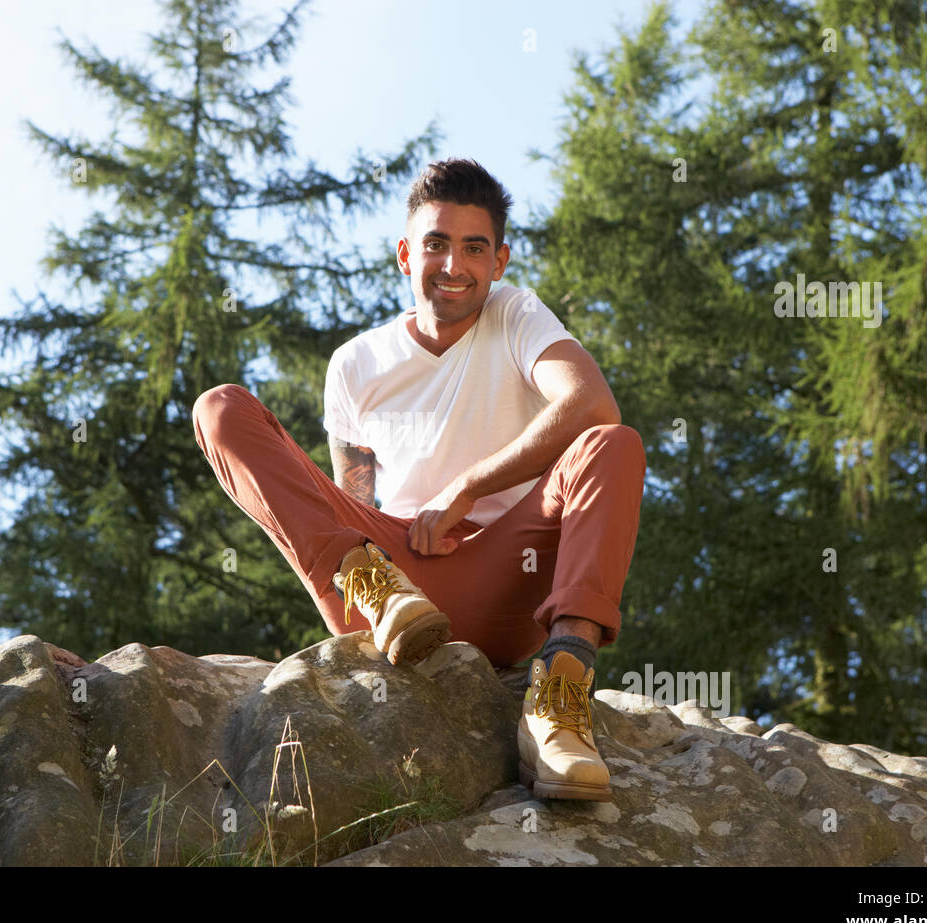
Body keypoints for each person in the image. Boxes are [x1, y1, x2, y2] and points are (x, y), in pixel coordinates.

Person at [193, 157, 646, 801]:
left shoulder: (515, 315)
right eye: (436, 244)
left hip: (505, 578)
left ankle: (557, 702)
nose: (454, 265)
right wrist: (367, 568)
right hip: (392, 587)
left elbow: (590, 403)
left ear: (500, 262)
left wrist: (467, 488)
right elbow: (351, 503)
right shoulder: (356, 363)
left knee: (613, 444)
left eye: (474, 247)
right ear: (406, 254)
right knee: (219, 408)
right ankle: (377, 594)